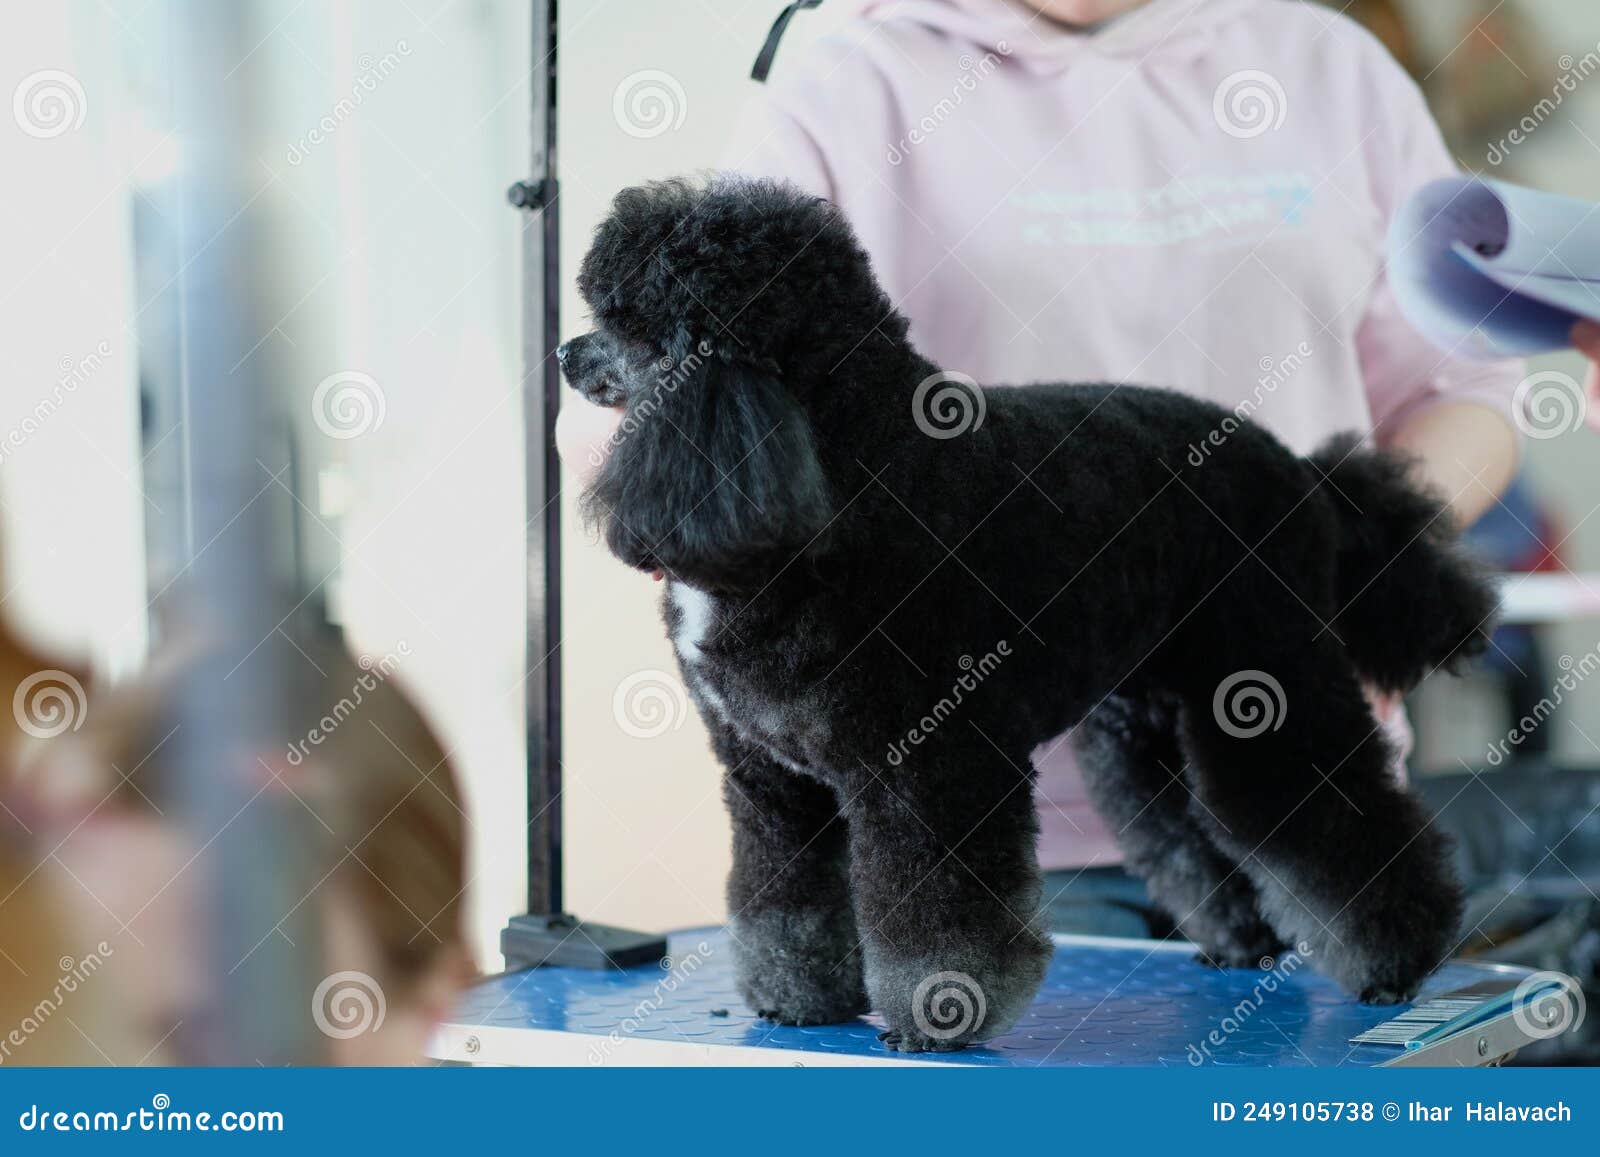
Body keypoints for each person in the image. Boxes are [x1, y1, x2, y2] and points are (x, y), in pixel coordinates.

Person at [560, 0, 1523, 940]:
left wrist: (1317, 579)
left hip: (1291, 792)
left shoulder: (1331, 65)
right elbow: (677, 364)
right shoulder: (846, 79)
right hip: (958, 832)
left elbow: (1470, 387)